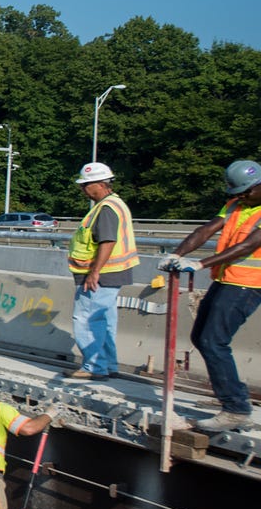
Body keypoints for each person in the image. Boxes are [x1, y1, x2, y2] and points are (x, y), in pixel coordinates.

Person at [158, 159, 261, 432]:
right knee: (200, 338)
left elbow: (247, 245)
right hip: (227, 280)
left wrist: (200, 264)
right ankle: (233, 401)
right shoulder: (234, 206)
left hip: (249, 285)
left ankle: (236, 409)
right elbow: (204, 231)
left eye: (245, 192)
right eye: (236, 193)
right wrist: (177, 253)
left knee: (214, 341)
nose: (239, 197)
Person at [66, 162, 139, 380]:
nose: (83, 189)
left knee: (87, 319)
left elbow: (107, 241)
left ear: (100, 184)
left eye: (86, 185)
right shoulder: (114, 205)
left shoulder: (106, 209)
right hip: (111, 273)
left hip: (101, 275)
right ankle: (108, 365)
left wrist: (94, 271)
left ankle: (94, 367)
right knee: (104, 320)